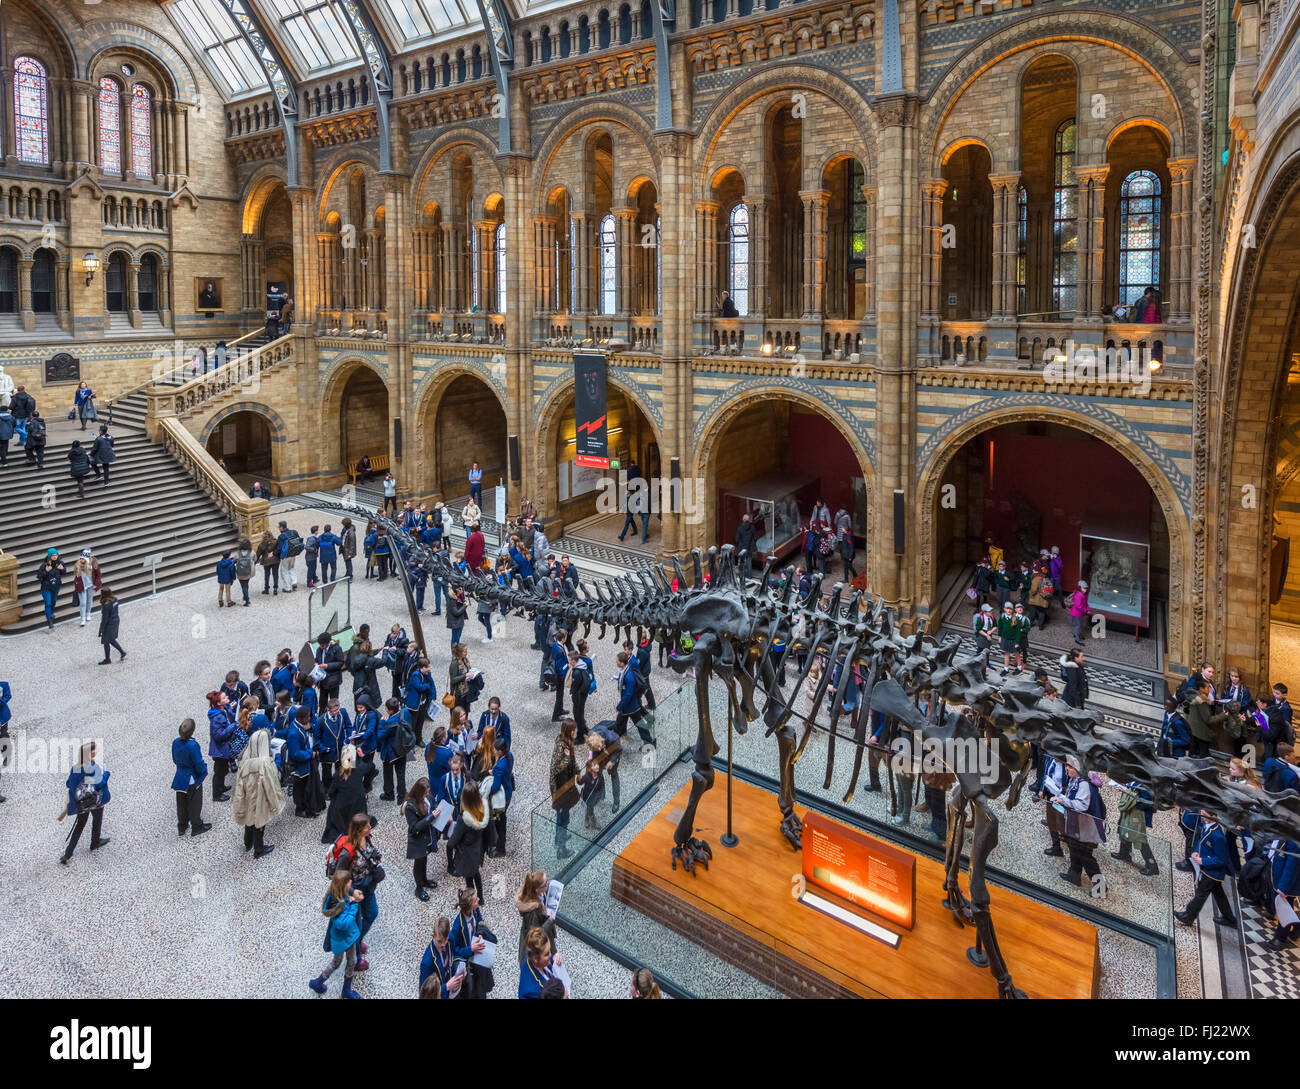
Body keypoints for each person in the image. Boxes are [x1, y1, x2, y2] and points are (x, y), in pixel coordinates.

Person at [1175, 810, 1237, 929]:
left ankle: (1188, 915)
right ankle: (1230, 919)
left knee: (1201, 894)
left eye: (1205, 815)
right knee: (1219, 895)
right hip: (1208, 869)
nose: (1202, 817)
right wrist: (1197, 851)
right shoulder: (1206, 826)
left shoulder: (1218, 837)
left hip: (1213, 873)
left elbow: (1221, 860)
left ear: (1214, 816)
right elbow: (1201, 840)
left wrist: (1203, 861)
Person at [308, 872, 364, 998]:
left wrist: (350, 900)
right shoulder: (337, 904)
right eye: (349, 882)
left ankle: (320, 983)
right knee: (339, 963)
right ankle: (343, 990)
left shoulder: (338, 895)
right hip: (344, 938)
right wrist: (354, 905)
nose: (351, 885)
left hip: (346, 938)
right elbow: (343, 924)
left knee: (350, 961)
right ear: (343, 886)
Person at [1051, 757, 1104, 889]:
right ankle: (1074, 875)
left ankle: (1101, 888)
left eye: (1070, 767)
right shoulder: (1077, 780)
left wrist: (1062, 800)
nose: (1067, 769)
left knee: (1087, 858)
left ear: (1078, 769)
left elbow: (1081, 806)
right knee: (1074, 848)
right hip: (1080, 826)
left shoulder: (1084, 784)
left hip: (1086, 828)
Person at [60, 741, 110, 864]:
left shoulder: (76, 767)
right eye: (94, 750)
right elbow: (99, 784)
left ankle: (68, 853)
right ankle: (95, 842)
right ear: (90, 753)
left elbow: (68, 783)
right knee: (97, 820)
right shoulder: (91, 767)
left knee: (79, 825)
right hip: (94, 800)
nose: (96, 751)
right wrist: (106, 774)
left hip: (81, 803)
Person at [447, 779, 489, 901]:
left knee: (469, 879)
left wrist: (450, 863)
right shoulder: (482, 810)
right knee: (476, 873)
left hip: (466, 854)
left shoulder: (464, 820)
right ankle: (480, 898)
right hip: (478, 849)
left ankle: (473, 899)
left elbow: (451, 842)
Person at [171, 718, 211, 838]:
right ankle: (196, 826)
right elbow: (198, 763)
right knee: (194, 803)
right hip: (192, 778)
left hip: (180, 776)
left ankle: (182, 826)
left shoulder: (175, 742)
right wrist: (203, 770)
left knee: (181, 803)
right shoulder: (193, 745)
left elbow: (174, 759)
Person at [1111, 780, 1159, 876]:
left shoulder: (1146, 784)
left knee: (1139, 838)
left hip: (1138, 814)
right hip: (1131, 811)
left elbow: (1147, 802)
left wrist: (1127, 792)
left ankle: (1152, 866)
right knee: (1124, 829)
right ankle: (1125, 854)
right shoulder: (1135, 780)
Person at [404, 777, 439, 901]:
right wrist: (430, 818)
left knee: (424, 860)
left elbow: (433, 803)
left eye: (428, 792)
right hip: (418, 839)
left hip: (427, 835)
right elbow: (414, 827)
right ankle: (419, 888)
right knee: (419, 863)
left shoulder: (427, 797)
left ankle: (424, 880)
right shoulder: (410, 806)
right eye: (425, 793)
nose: (428, 795)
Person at [550, 718, 580, 860]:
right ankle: (561, 849)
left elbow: (573, 762)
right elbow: (556, 767)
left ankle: (560, 837)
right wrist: (568, 759)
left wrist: (578, 771)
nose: (575, 732)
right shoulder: (561, 746)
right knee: (562, 818)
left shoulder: (568, 743)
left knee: (564, 815)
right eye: (573, 730)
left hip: (567, 786)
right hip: (561, 789)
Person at [206, 690, 243, 802]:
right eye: (224, 698)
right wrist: (233, 726)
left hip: (224, 748)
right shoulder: (216, 718)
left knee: (223, 770)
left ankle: (221, 787)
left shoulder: (224, 709)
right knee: (219, 772)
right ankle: (216, 795)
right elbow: (218, 736)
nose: (227, 697)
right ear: (218, 703)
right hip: (219, 750)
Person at [420, 917, 467, 998]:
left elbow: (455, 953)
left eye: (445, 940)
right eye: (439, 941)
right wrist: (446, 987)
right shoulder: (427, 962)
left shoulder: (450, 939)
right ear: (433, 936)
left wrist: (462, 970)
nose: (443, 944)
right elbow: (424, 992)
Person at [1186, 677, 1227, 759]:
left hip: (1193, 729)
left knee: (1193, 751)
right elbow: (1208, 719)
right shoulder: (1202, 702)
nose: (1209, 690)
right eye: (1208, 687)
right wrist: (1223, 715)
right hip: (1201, 732)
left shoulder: (1195, 696)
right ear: (1201, 689)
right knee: (1203, 755)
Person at [519, 925, 564, 999]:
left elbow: (550, 957)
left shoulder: (532, 954)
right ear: (536, 958)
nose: (551, 955)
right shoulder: (532, 991)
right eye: (546, 954)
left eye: (550, 951)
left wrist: (554, 959)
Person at [70, 550, 101, 627]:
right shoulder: (77, 565)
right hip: (82, 586)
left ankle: (88, 614)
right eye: (80, 558)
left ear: (86, 560)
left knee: (89, 600)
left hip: (91, 586)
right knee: (83, 602)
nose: (81, 560)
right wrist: (76, 584)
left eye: (83, 559)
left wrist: (96, 584)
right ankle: (82, 618)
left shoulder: (93, 565)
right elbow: (76, 577)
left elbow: (99, 575)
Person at [97, 587, 124, 664]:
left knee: (106, 641)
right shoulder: (115, 599)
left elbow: (105, 619)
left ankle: (107, 659)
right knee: (110, 639)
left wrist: (101, 630)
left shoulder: (106, 605)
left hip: (109, 624)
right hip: (116, 621)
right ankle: (122, 652)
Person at [276, 519, 299, 592]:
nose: (278, 528)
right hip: (294, 553)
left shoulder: (281, 536)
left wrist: (274, 554)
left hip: (285, 556)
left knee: (284, 571)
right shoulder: (294, 532)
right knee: (292, 568)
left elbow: (279, 548)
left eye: (279, 527)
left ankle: (287, 587)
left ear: (281, 527)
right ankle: (294, 582)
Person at [256, 530, 279, 594]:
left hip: (266, 561)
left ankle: (266, 589)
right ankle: (275, 589)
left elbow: (258, 554)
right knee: (275, 574)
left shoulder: (261, 545)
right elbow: (278, 549)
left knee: (267, 575)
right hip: (275, 560)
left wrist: (255, 562)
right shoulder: (276, 542)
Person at [1069, 580, 1090, 645]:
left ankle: (1077, 635)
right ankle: (1077, 639)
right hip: (1076, 613)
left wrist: (1088, 609)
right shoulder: (1079, 595)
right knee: (1077, 626)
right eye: (1084, 588)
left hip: (1079, 613)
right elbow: (1079, 606)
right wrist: (1086, 610)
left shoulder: (1083, 594)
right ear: (1080, 588)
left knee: (1078, 625)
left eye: (1086, 588)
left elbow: (1085, 603)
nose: (1085, 589)